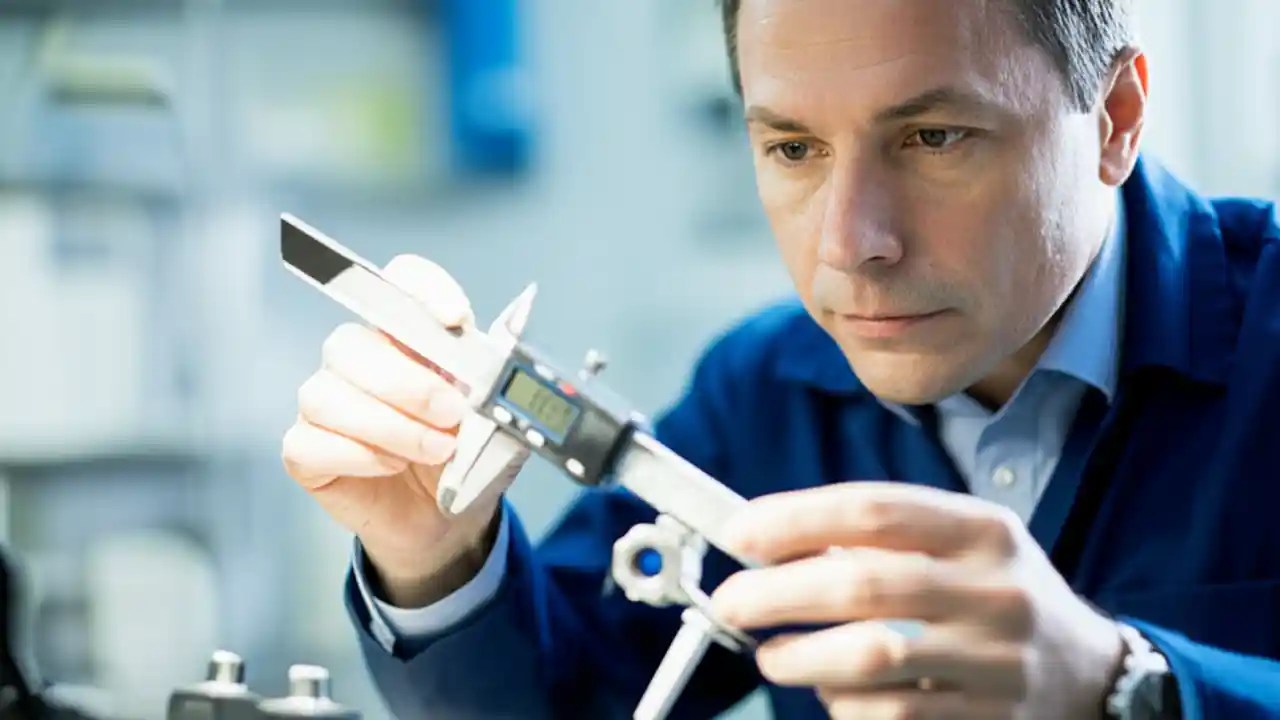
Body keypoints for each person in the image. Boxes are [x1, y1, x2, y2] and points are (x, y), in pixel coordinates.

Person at [280, 0, 1280, 717]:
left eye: (932, 137)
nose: (851, 244)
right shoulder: (755, 396)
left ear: (1113, 118)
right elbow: (557, 693)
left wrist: (1128, 684)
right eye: (793, 150)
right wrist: (430, 553)